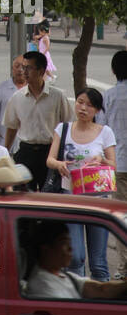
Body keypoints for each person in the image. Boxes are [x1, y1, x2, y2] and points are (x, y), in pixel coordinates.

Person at [46, 87, 116, 280]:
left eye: (90, 105)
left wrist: (101, 160)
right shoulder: (63, 129)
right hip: (70, 197)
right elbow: (50, 160)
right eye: (80, 102)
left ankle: (103, 305)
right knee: (75, 257)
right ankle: (76, 299)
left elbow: (113, 165)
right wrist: (59, 164)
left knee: (98, 261)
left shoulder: (105, 132)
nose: (83, 108)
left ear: (98, 111)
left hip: (98, 199)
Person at [3, 51, 72, 190]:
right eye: (23, 67)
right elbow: (11, 128)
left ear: (41, 71)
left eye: (29, 68)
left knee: (50, 194)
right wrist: (5, 153)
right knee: (23, 195)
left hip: (50, 152)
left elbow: (68, 125)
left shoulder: (57, 96)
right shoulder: (17, 97)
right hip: (26, 152)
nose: (24, 72)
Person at [24, 220, 127, 300]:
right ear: (46, 249)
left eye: (69, 242)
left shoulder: (65, 277)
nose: (70, 248)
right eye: (64, 243)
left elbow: (100, 289)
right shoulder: (43, 286)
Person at [103, 50, 127, 278]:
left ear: (113, 70)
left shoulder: (109, 96)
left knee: (121, 217)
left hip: (118, 166)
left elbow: (101, 130)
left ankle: (123, 269)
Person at [0, 56, 27, 145]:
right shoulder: (1, 89)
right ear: (12, 69)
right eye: (17, 66)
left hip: (27, 145)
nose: (20, 70)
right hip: (3, 143)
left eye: (23, 67)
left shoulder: (34, 90)